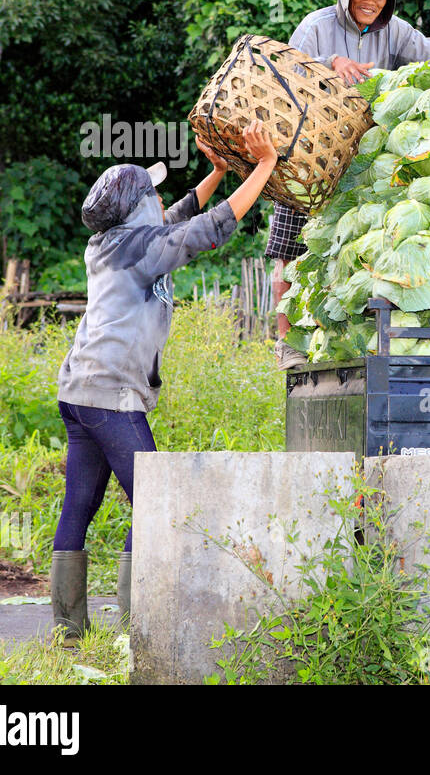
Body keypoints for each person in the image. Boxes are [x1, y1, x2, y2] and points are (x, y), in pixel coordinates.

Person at [50, 121, 279, 642]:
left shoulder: (111, 241)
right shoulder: (140, 249)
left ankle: (68, 631)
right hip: (110, 395)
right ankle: (139, 629)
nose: (159, 196)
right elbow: (206, 229)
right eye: (151, 191)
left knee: (79, 508)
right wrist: (263, 166)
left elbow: (178, 216)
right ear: (137, 207)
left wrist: (218, 171)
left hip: (80, 392)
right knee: (155, 502)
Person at [268, 0, 430, 369]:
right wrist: (328, 64)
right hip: (306, 154)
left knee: (347, 246)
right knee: (288, 249)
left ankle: (337, 338)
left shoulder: (395, 33)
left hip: (357, 157)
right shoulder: (316, 27)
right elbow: (282, 74)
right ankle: (286, 343)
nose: (371, 2)